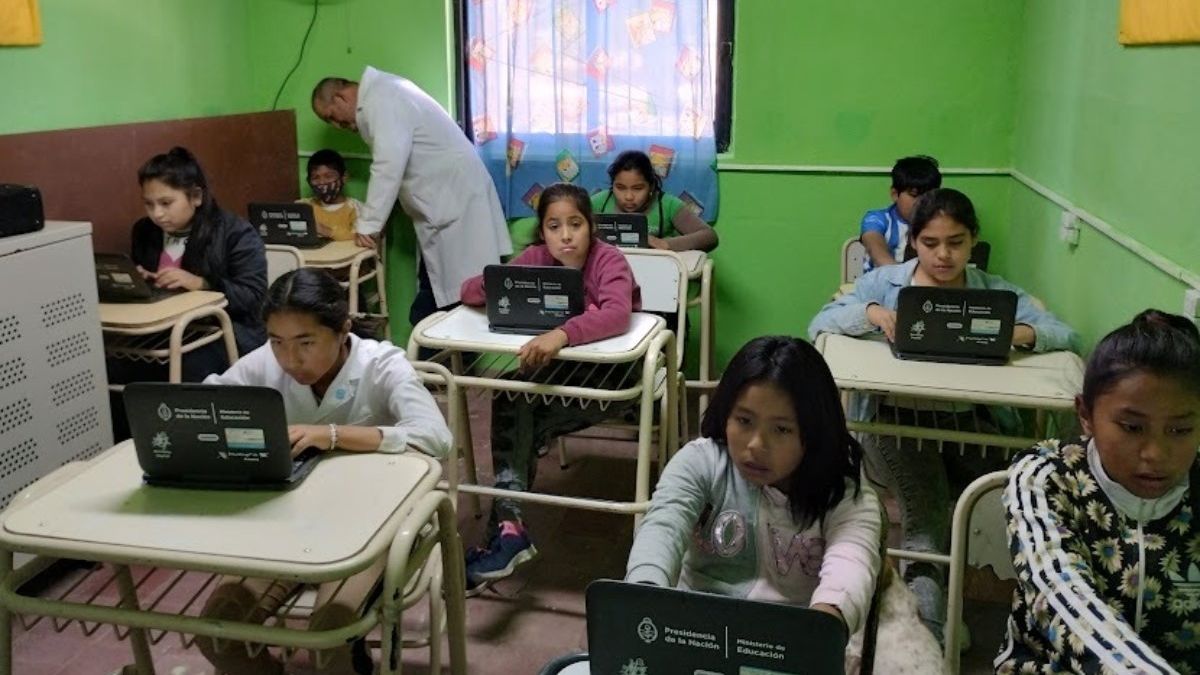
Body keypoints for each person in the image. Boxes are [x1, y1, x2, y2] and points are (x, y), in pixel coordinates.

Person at [809, 187, 1080, 642]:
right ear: (913, 241)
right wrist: (872, 313)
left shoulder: (993, 291)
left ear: (973, 240)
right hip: (895, 423)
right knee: (928, 524)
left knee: (1008, 506)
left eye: (956, 243)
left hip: (971, 426)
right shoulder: (886, 283)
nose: (943, 255)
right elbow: (821, 321)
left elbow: (1066, 335)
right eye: (930, 243)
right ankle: (928, 638)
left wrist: (1019, 333)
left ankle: (955, 609)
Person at [196, 268, 452, 675]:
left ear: (342, 329)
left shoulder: (381, 365)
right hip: (292, 520)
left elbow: (435, 438)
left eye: (306, 343)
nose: (290, 359)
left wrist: (334, 435)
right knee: (218, 631)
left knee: (331, 632)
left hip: (374, 523)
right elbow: (208, 402)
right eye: (277, 342)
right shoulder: (265, 364)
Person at [626, 336, 892, 673]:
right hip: (697, 638)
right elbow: (662, 529)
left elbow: (850, 568)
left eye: (781, 429)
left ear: (814, 432)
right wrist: (643, 597)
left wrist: (821, 630)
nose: (756, 444)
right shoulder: (700, 463)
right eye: (744, 421)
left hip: (789, 647)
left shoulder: (846, 497)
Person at [458, 183, 641, 589]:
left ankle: (505, 532)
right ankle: (508, 531)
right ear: (542, 231)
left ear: (591, 226)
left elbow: (616, 314)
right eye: (554, 226)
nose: (566, 236)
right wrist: (500, 282)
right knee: (511, 394)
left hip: (614, 381)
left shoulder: (608, 260)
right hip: (562, 377)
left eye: (576, 224)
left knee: (516, 419)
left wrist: (561, 334)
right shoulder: (537, 258)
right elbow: (468, 291)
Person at [998, 309, 1200, 674]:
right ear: (1085, 415)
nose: (1155, 454)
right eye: (1132, 427)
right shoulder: (1047, 477)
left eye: (1180, 430)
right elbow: (1062, 598)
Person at [311, 67, 513, 328]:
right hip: (446, 208)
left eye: (332, 117)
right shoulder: (385, 94)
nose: (338, 126)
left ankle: (428, 350)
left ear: (340, 98)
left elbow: (387, 166)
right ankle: (431, 347)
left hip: (456, 207)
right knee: (443, 299)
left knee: (455, 303)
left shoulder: (384, 97)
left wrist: (368, 225)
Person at [591, 149, 718, 252]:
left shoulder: (668, 205)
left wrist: (665, 244)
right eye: (620, 188)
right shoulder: (600, 202)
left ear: (651, 186)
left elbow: (710, 236)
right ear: (612, 185)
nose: (628, 196)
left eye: (638, 188)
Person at [859, 155, 941, 271]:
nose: (922, 202)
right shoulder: (877, 219)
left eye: (928, 196)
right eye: (914, 195)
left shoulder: (940, 222)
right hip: (884, 281)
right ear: (895, 194)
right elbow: (875, 248)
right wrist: (903, 278)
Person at [298, 148, 364, 241]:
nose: (322, 182)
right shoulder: (303, 207)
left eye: (328, 176)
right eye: (316, 178)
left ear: (344, 177)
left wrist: (328, 232)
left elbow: (360, 238)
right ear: (309, 181)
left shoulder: (355, 208)